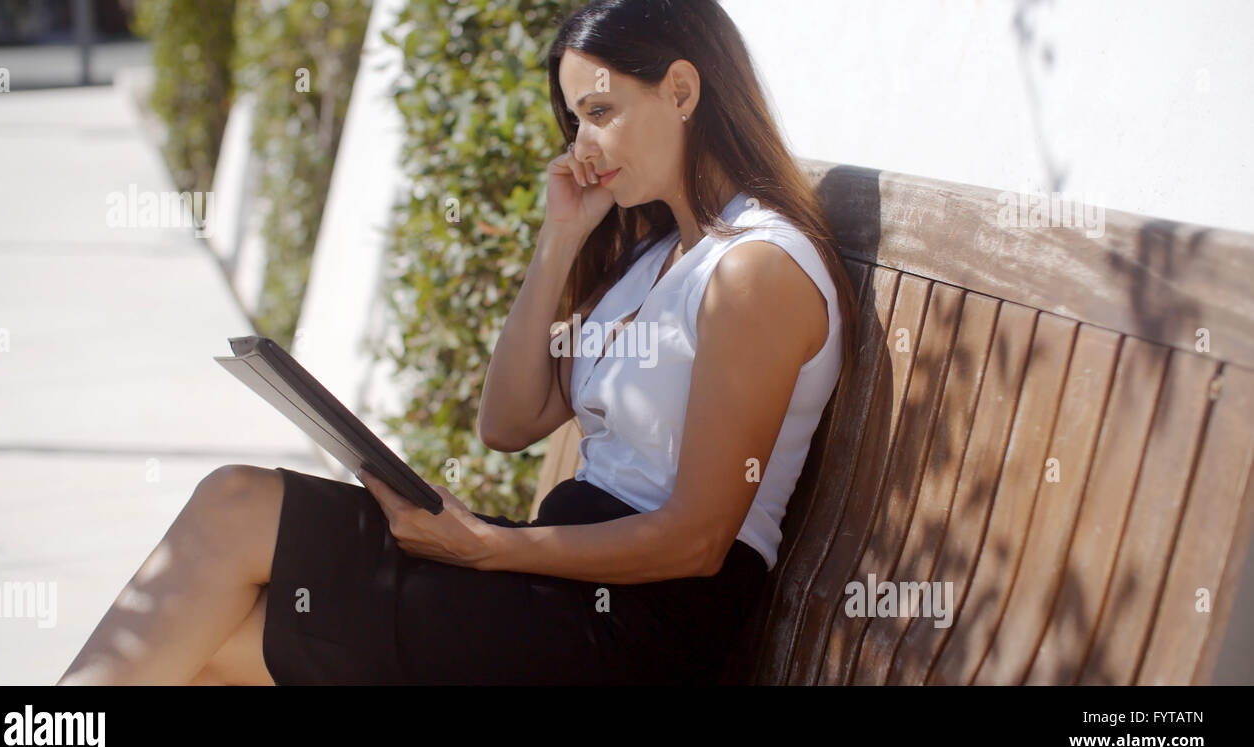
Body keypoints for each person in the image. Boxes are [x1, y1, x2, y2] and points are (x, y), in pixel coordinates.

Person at [56, 0, 858, 686]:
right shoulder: (658, 256)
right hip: (557, 581)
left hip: (634, 626)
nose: (583, 144)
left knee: (235, 514)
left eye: (602, 112)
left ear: (681, 90)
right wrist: (560, 238)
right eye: (575, 117)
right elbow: (507, 424)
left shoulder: (752, 269)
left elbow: (696, 538)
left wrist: (488, 547)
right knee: (213, 633)